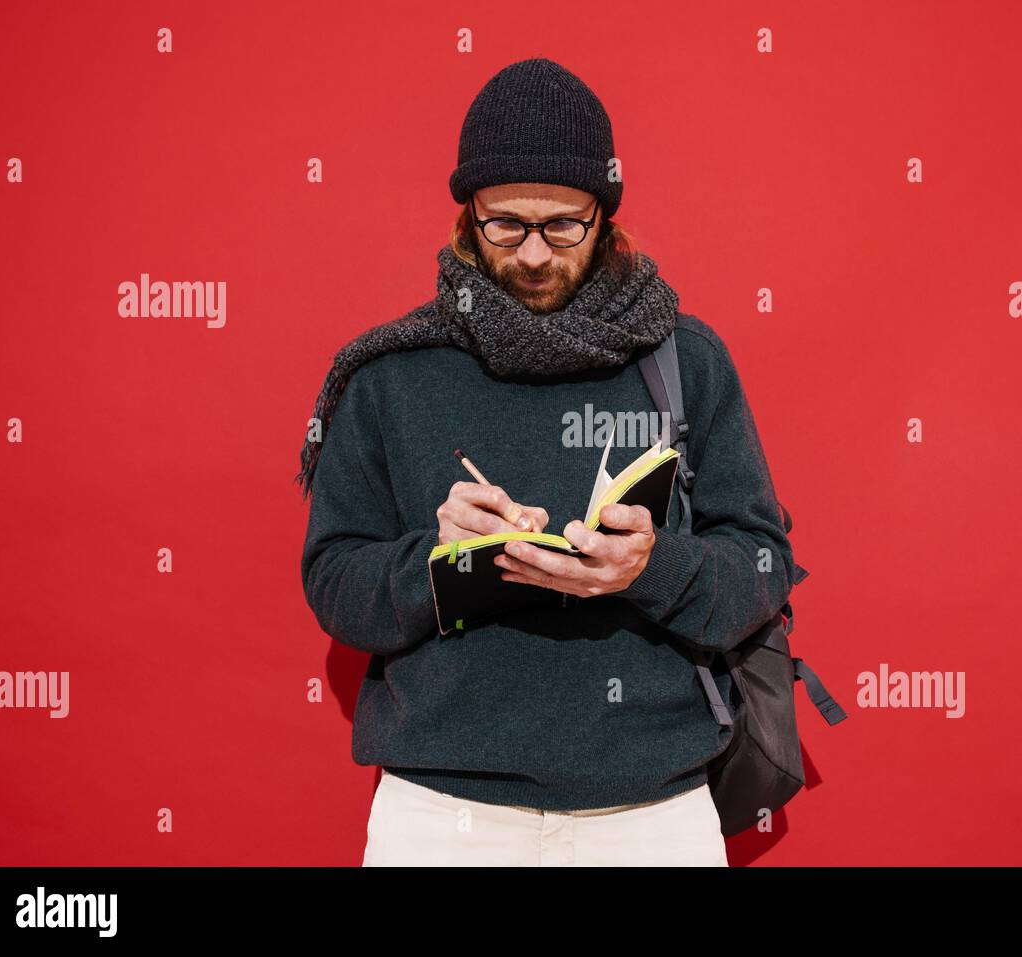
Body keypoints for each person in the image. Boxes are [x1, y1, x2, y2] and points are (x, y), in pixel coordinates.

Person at [297, 57, 796, 866]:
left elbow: (764, 565)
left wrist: (649, 565)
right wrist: (442, 561)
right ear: (469, 214)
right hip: (442, 817)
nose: (533, 254)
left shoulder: (684, 360)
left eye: (563, 225)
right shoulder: (390, 372)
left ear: (605, 214)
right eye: (507, 225)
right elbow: (335, 584)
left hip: (651, 817)